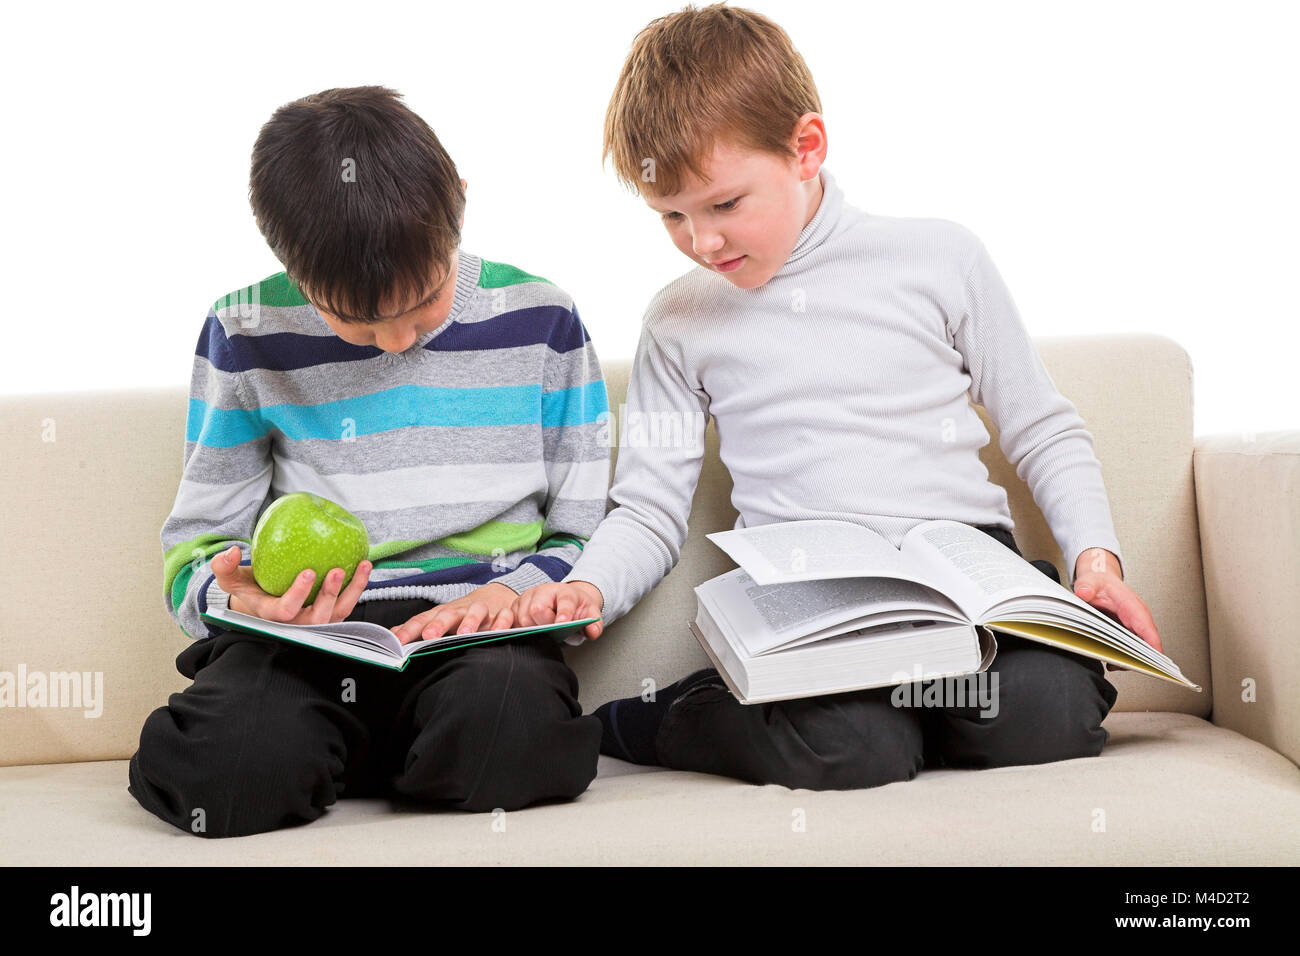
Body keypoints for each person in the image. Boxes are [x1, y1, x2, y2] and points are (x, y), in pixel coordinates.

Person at [508, 3, 1162, 791]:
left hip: (966, 583)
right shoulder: (679, 319)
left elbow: (1042, 426)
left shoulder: (939, 256)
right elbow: (649, 505)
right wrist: (588, 587)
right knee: (853, 751)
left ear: (806, 148)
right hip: (811, 601)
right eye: (671, 217)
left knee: (1048, 716)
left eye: (724, 204)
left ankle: (923, 713)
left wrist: (1095, 557)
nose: (701, 243)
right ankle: (667, 716)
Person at [130, 86, 608, 837]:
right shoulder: (244, 330)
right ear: (289, 264)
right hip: (307, 643)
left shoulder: (542, 318)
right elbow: (196, 546)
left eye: (424, 301)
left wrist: (517, 595)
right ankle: (354, 751)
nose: (396, 341)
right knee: (221, 773)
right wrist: (238, 597)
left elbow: (582, 532)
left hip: (476, 640)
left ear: (459, 206)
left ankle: (385, 751)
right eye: (355, 319)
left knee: (514, 734)